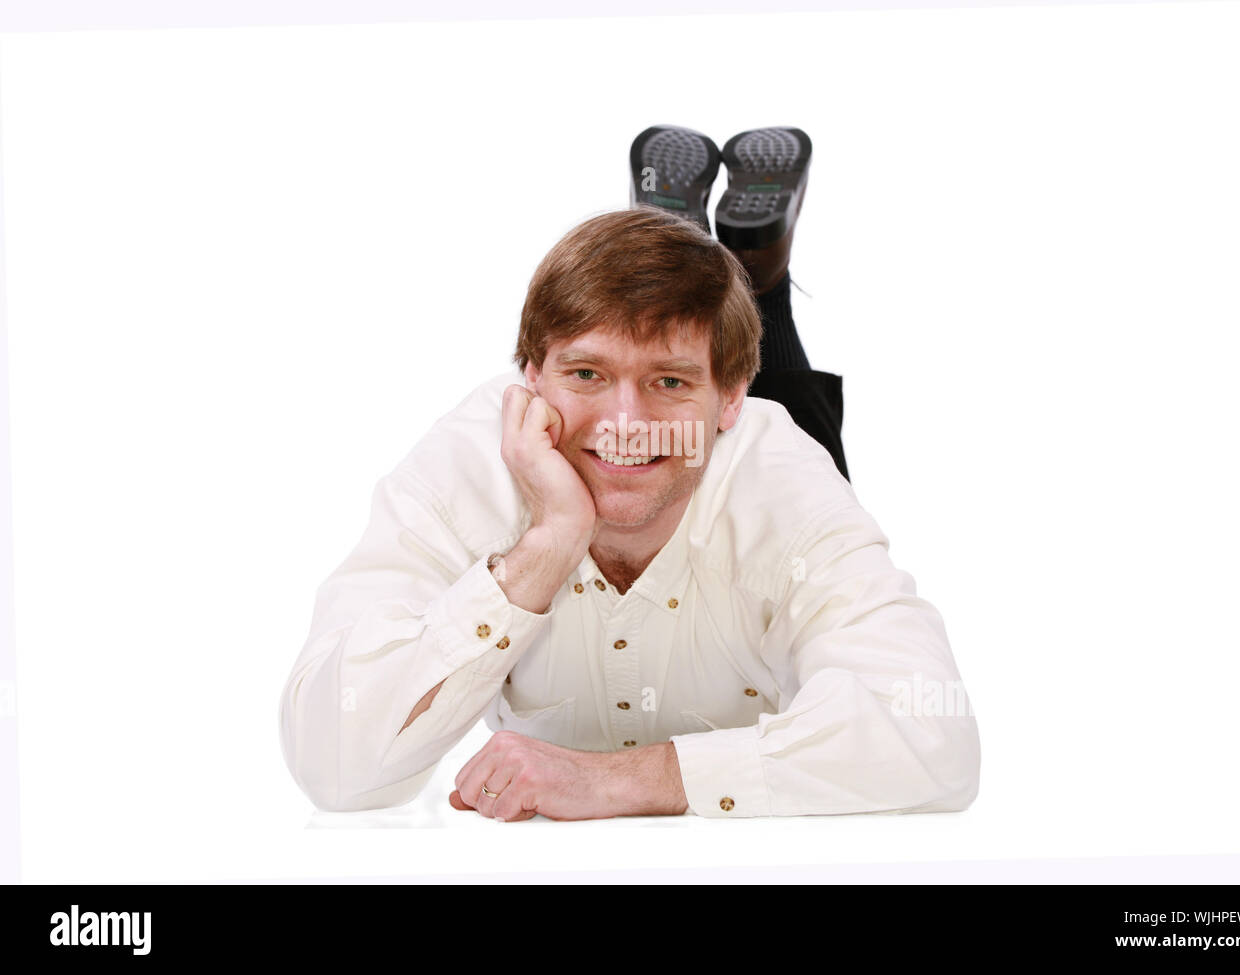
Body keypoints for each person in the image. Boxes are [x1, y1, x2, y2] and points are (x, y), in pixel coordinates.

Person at [278, 125, 980, 821]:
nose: (624, 421)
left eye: (668, 381)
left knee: (786, 415)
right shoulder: (463, 470)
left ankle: (747, 279)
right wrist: (544, 548)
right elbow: (329, 759)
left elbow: (935, 738)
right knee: (680, 347)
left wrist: (614, 781)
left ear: (732, 397)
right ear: (528, 377)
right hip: (706, 434)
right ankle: (700, 267)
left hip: (753, 455)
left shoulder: (781, 480)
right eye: (586, 373)